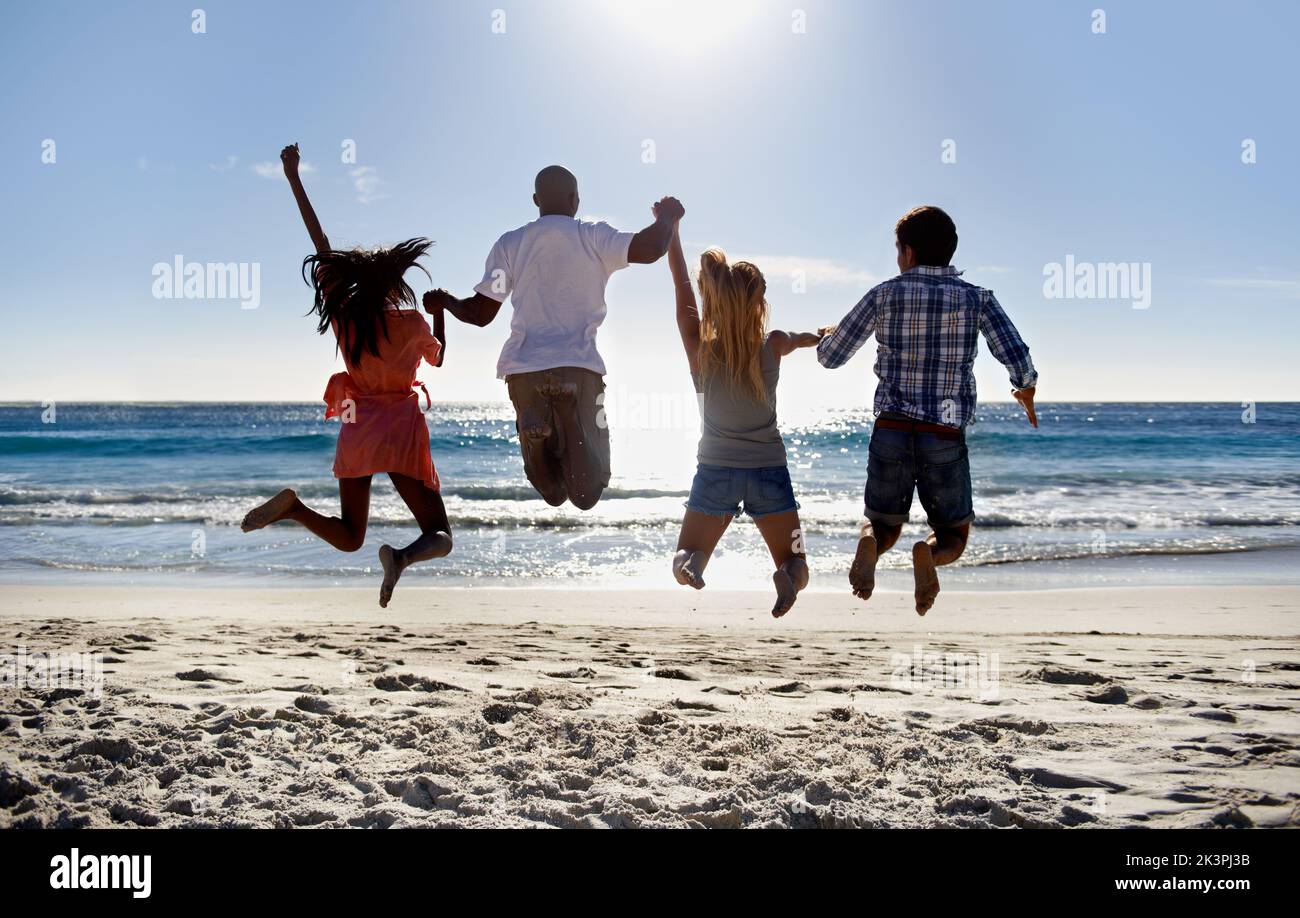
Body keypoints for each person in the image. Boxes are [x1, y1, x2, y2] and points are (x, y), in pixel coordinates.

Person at [241, 143, 452, 608]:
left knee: (350, 536)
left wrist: (294, 177)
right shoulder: (412, 322)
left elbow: (320, 247)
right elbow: (438, 360)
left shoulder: (347, 319)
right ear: (394, 282)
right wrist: (438, 315)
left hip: (358, 426)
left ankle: (294, 508)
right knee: (439, 535)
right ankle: (400, 557)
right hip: (400, 432)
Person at [817, 205, 1038, 615]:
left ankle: (870, 545)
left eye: (898, 250)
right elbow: (1015, 354)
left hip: (891, 429)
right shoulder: (977, 299)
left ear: (909, 253)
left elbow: (830, 358)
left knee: (883, 524)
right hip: (944, 434)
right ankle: (929, 554)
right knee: (953, 533)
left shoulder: (883, 294)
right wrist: (1025, 389)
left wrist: (828, 336)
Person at [424, 165, 683, 510]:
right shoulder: (593, 237)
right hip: (579, 369)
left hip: (524, 371)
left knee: (553, 494)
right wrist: (666, 216)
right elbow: (651, 248)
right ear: (576, 200)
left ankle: (535, 441)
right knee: (586, 494)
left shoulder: (510, 244)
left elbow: (481, 314)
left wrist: (446, 302)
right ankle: (567, 411)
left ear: (535, 201)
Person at [664, 213, 823, 617]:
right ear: (760, 304)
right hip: (770, 472)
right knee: (796, 560)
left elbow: (681, 285)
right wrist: (824, 335)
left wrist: (674, 232)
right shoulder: (773, 344)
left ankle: (692, 566)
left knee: (685, 552)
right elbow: (807, 339)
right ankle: (787, 576)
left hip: (715, 471)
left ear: (714, 298)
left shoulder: (699, 346)